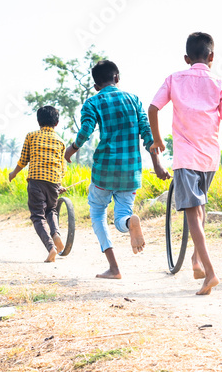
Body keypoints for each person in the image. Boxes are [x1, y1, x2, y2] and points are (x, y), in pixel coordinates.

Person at [149, 32, 222, 296]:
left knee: (192, 213)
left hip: (186, 157)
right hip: (210, 158)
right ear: (211, 57)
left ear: (187, 58)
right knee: (198, 210)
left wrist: (157, 139)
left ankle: (211, 272)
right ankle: (195, 260)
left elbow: (153, 108)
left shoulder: (174, 78)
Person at [65, 60, 170, 280]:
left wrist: (72, 149)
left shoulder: (93, 102)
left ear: (96, 86)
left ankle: (114, 268)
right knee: (122, 216)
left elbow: (85, 130)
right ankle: (130, 222)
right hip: (131, 171)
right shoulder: (133, 100)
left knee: (97, 213)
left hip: (104, 170)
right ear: (117, 78)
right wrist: (157, 164)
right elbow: (147, 132)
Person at [8, 105, 67, 263]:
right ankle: (56, 234)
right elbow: (62, 168)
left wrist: (13, 174)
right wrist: (59, 185)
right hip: (54, 182)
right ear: (57, 123)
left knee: (38, 216)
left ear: (38, 121)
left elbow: (23, 160)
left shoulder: (31, 136)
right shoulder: (61, 141)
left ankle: (51, 248)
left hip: (36, 181)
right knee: (51, 210)